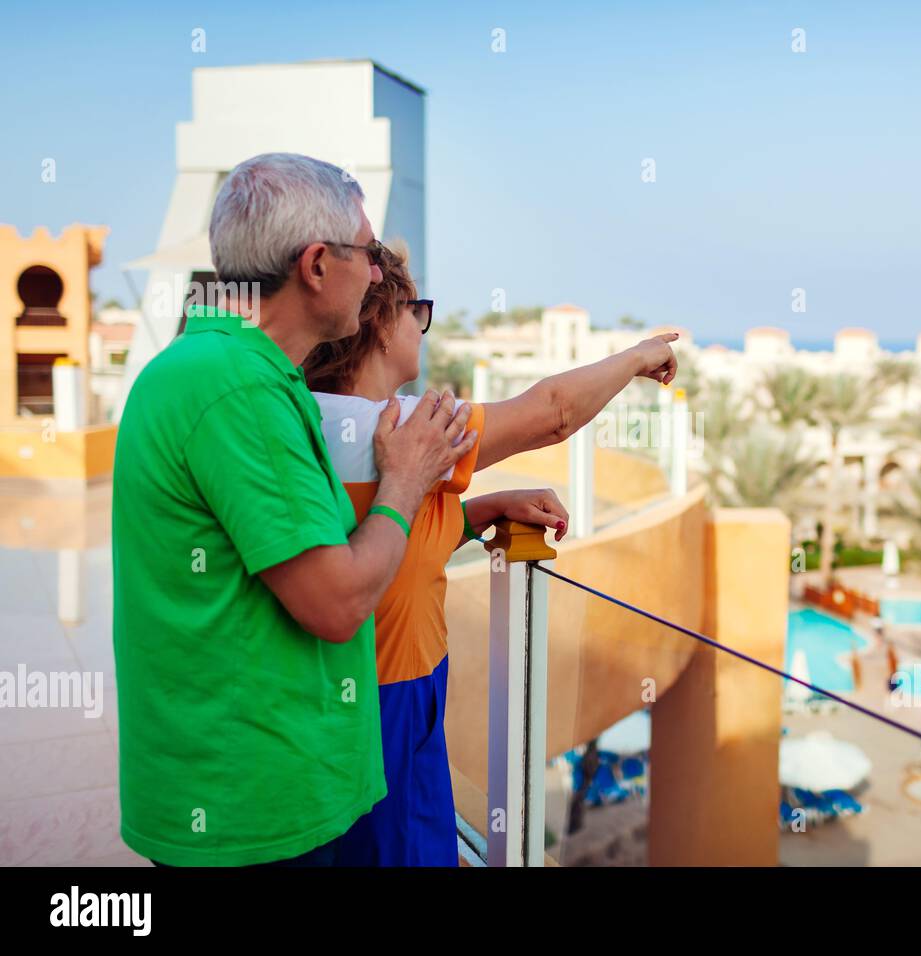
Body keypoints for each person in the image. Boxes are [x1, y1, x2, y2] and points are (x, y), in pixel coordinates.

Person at [113, 153, 478, 866]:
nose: (378, 275)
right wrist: (406, 478)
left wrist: (473, 509)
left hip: (228, 794)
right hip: (253, 815)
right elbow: (338, 601)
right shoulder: (239, 391)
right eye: (369, 254)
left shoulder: (206, 369)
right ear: (316, 264)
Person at [301, 243, 679, 865]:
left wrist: (479, 511)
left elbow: (381, 541)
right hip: (391, 704)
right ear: (378, 321)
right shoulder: (404, 427)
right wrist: (640, 356)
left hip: (335, 703)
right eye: (415, 310)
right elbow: (552, 414)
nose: (422, 326)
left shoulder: (308, 422)